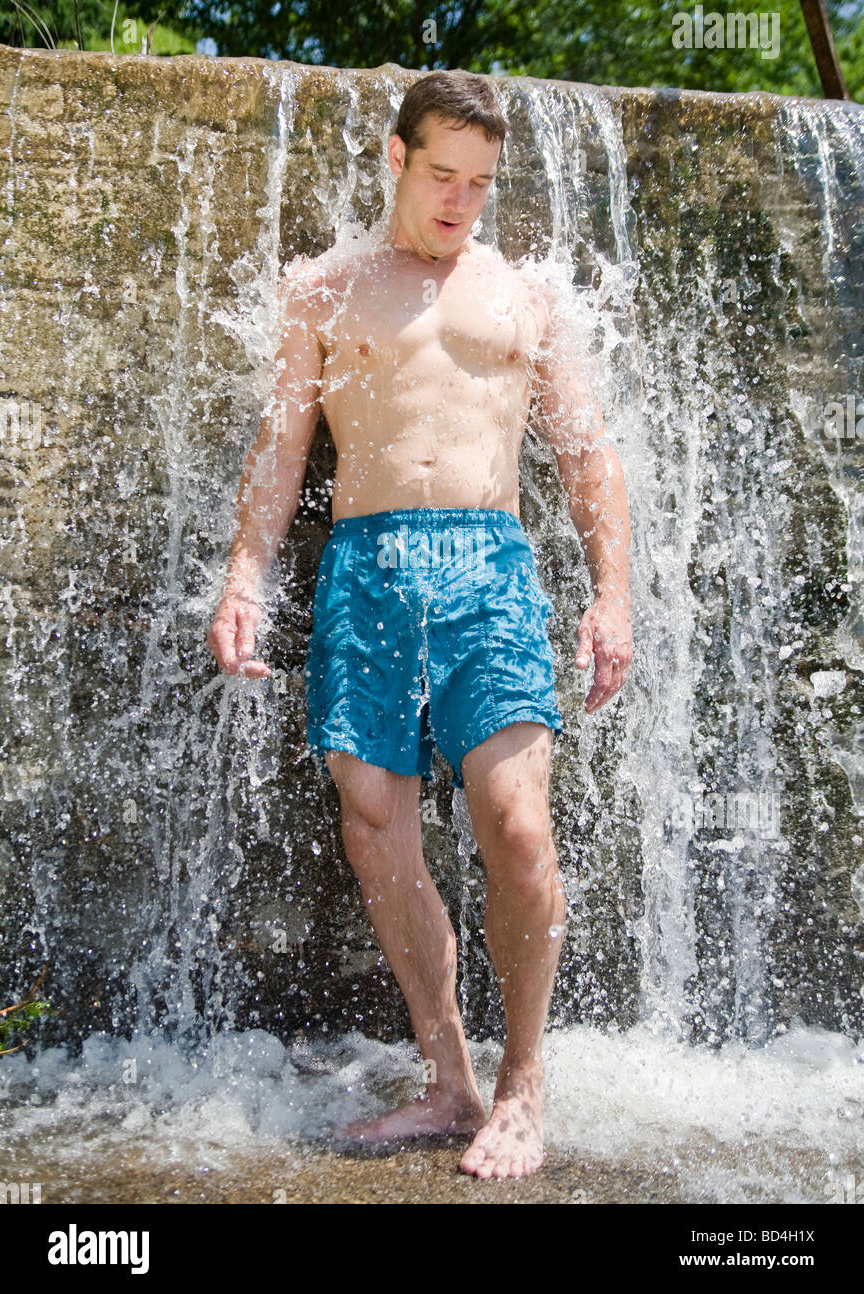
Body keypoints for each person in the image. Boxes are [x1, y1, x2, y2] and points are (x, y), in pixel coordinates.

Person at [206, 69, 632, 1179]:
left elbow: (587, 458)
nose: (460, 201)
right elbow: (280, 452)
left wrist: (611, 593)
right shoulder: (323, 289)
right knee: (372, 821)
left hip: (490, 567)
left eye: (479, 183)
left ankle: (522, 1091)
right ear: (395, 158)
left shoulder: (522, 296)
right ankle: (448, 1080)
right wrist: (245, 576)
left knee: (519, 828)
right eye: (442, 175)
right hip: (365, 567)